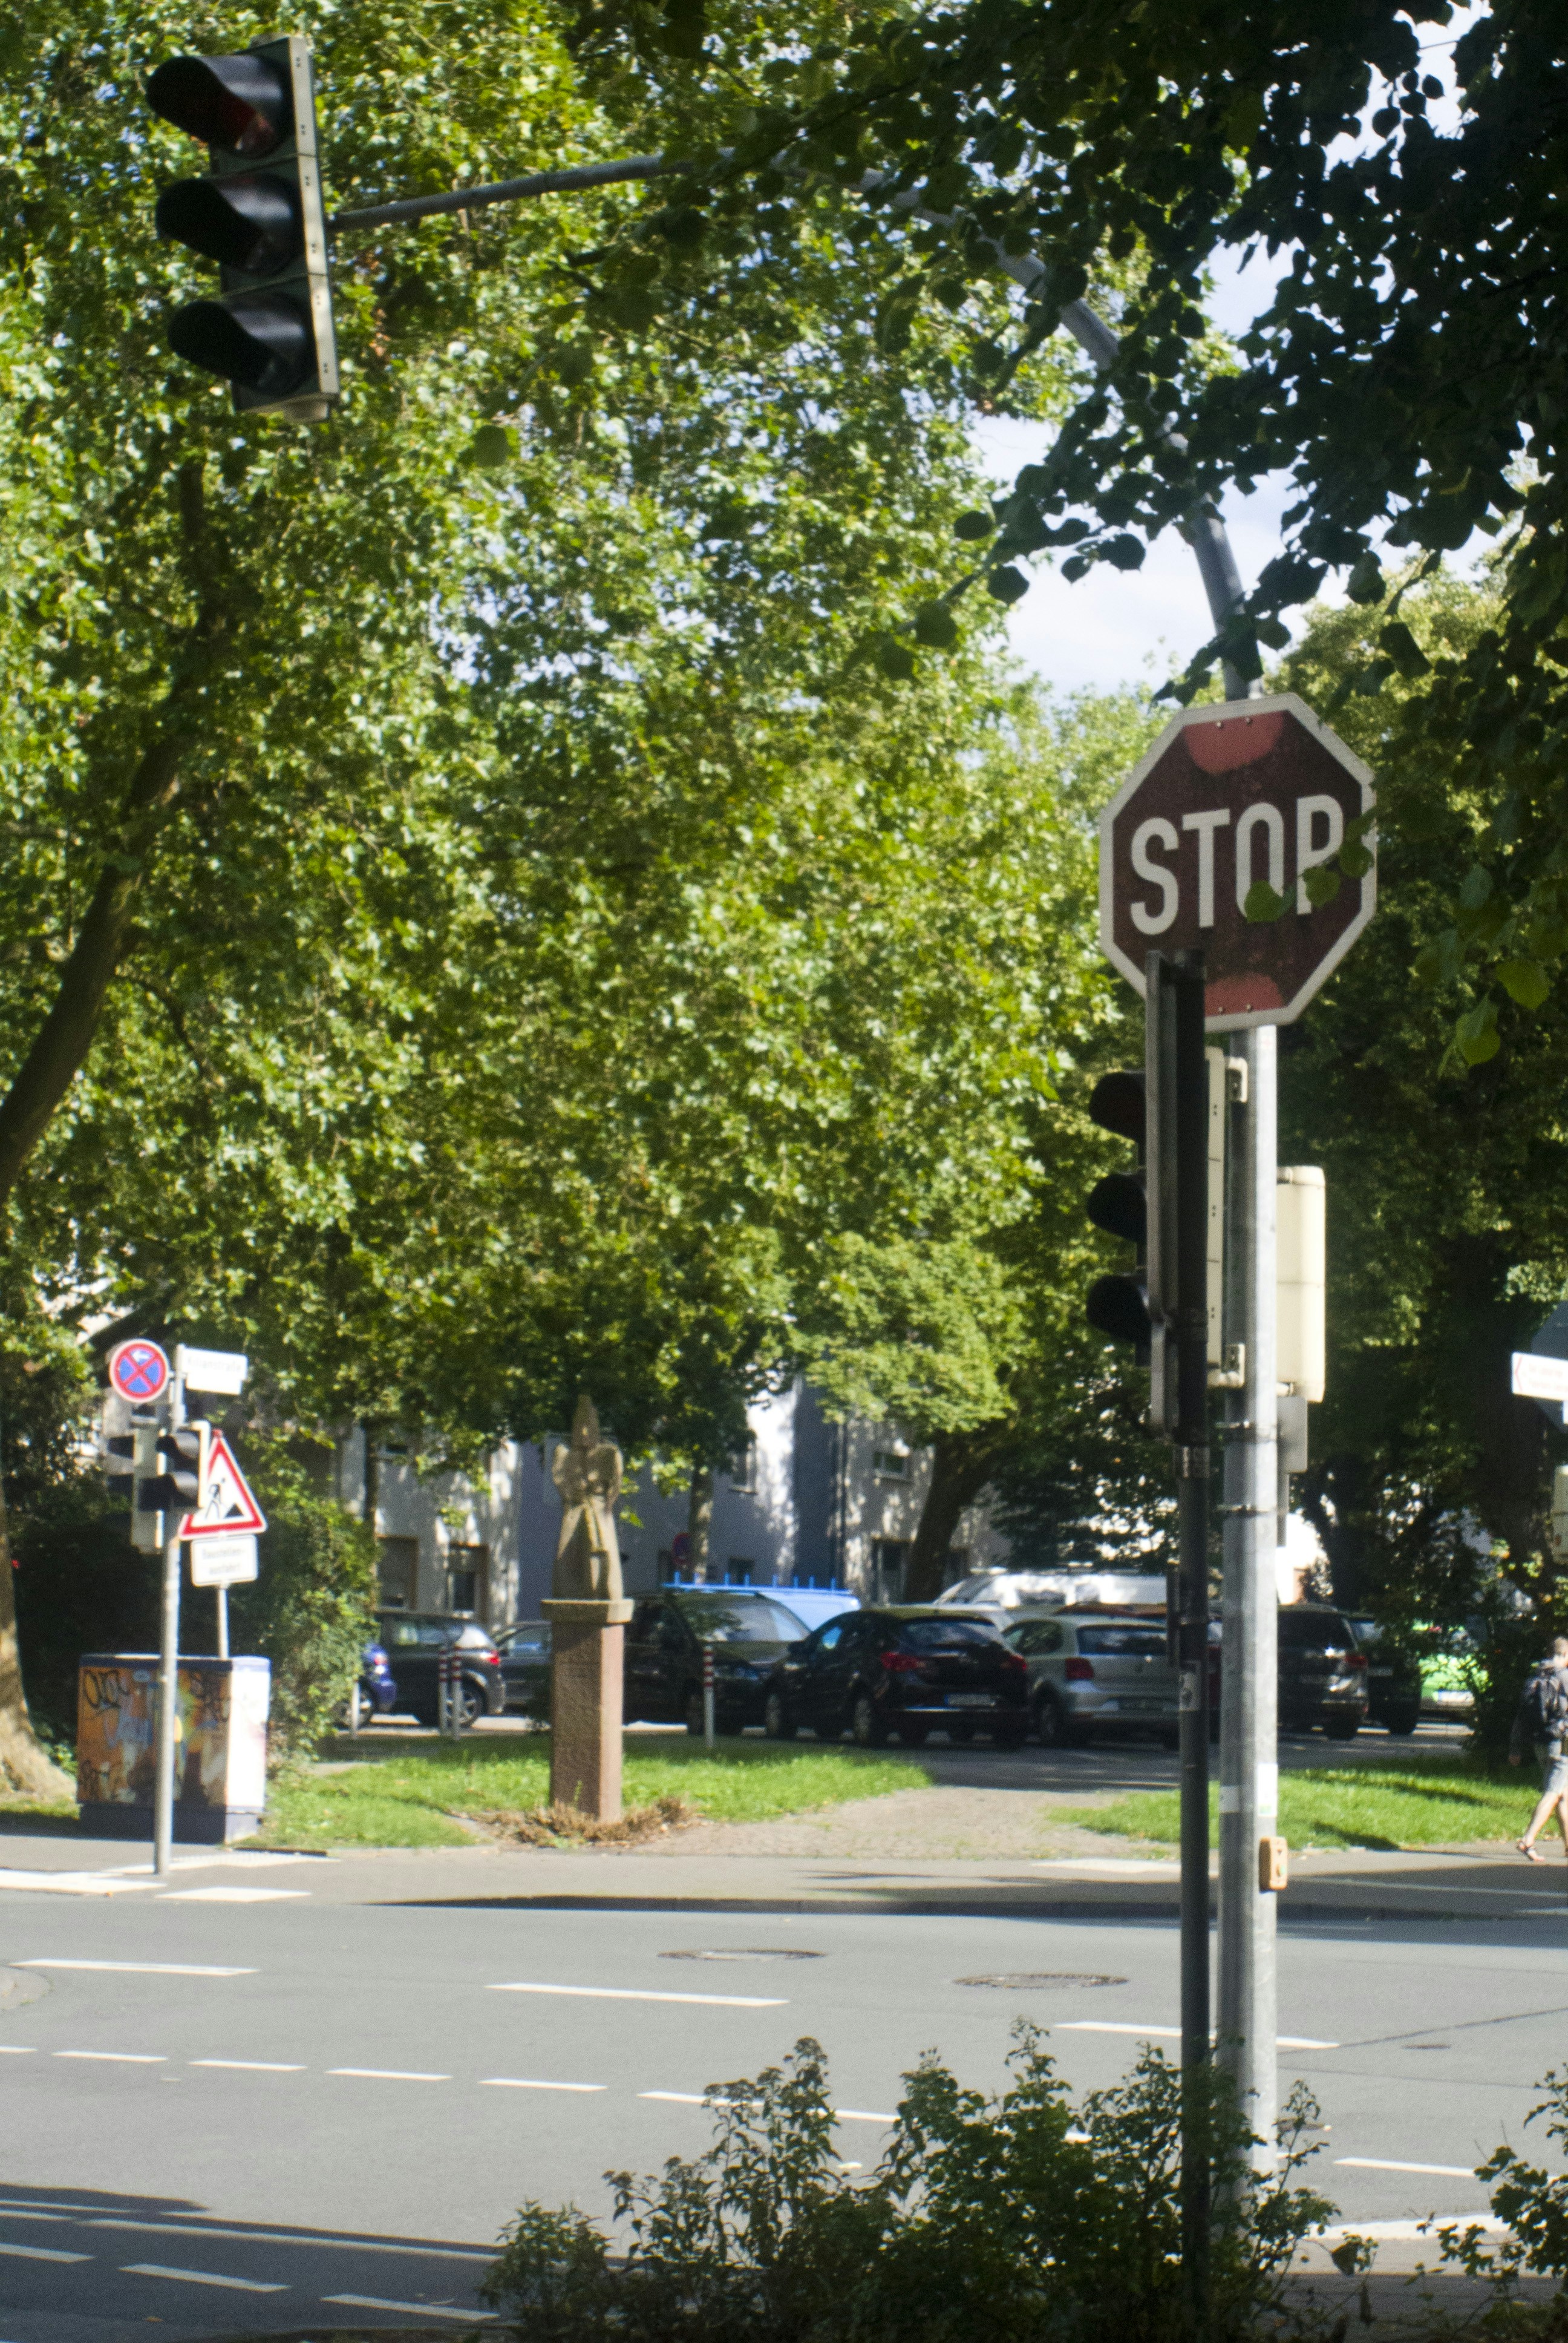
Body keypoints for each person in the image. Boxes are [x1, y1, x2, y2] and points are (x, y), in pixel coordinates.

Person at [1509, 1634, 1568, 1862]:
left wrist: (1515, 1748)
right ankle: (1528, 1840)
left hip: (1539, 1742)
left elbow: (1522, 1716)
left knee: (1563, 1795)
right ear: (1564, 1654)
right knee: (1553, 1793)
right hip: (1561, 1743)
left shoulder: (1535, 1678)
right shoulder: (1564, 1677)